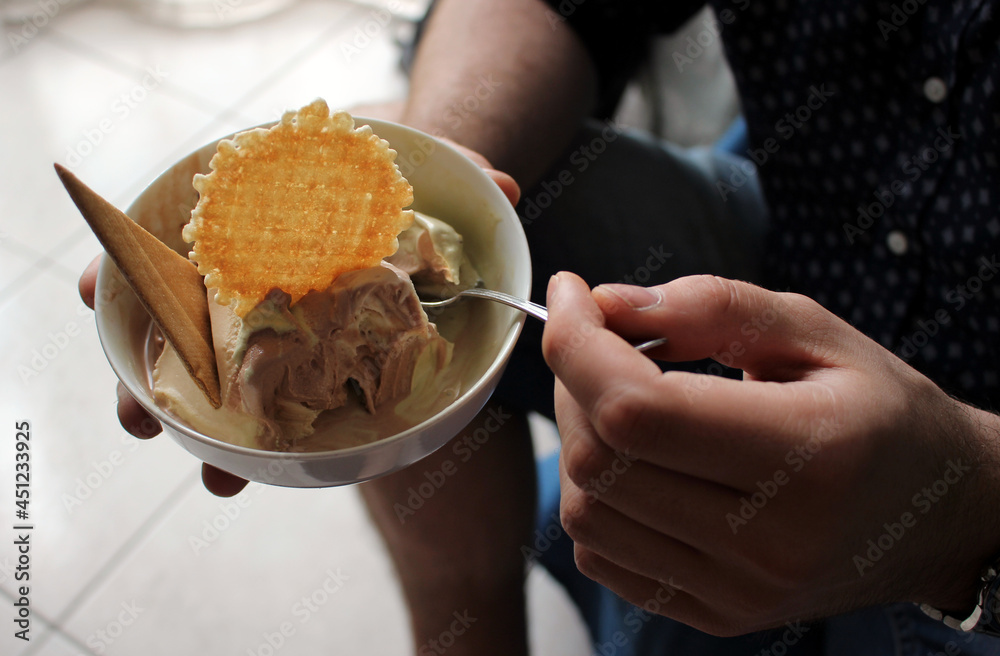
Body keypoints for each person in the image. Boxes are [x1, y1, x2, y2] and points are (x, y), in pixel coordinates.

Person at [79, 0, 1000, 652]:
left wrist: (961, 510)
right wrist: (438, 185)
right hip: (799, 236)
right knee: (391, 122)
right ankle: (467, 633)